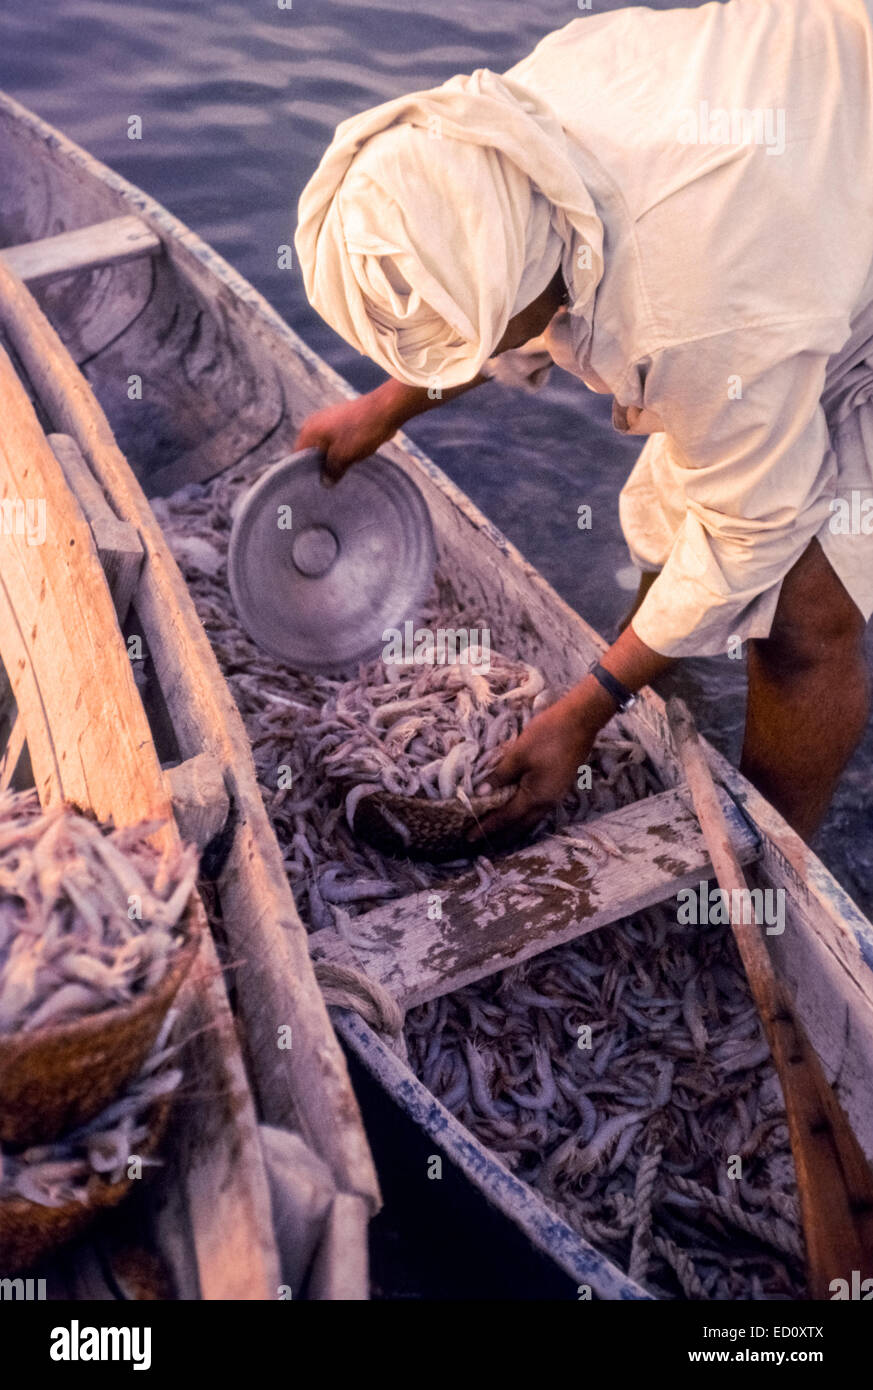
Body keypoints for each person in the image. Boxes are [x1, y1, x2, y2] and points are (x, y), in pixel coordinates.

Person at [294, 0, 873, 845]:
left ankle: (765, 880)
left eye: (474, 338)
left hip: (807, 232)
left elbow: (753, 523)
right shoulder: (495, 138)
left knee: (801, 614)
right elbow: (500, 297)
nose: (471, 357)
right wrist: (383, 407)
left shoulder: (692, 307)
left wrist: (587, 702)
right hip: (802, 202)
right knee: (679, 526)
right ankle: (661, 696)